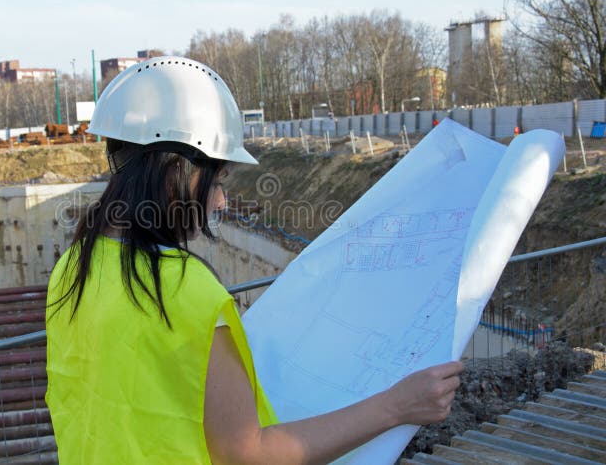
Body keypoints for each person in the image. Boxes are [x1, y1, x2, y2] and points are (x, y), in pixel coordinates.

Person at [45, 56, 463, 464]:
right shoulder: (188, 294)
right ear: (176, 170)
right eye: (218, 179)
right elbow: (247, 455)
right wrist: (395, 407)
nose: (222, 200)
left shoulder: (72, 269)